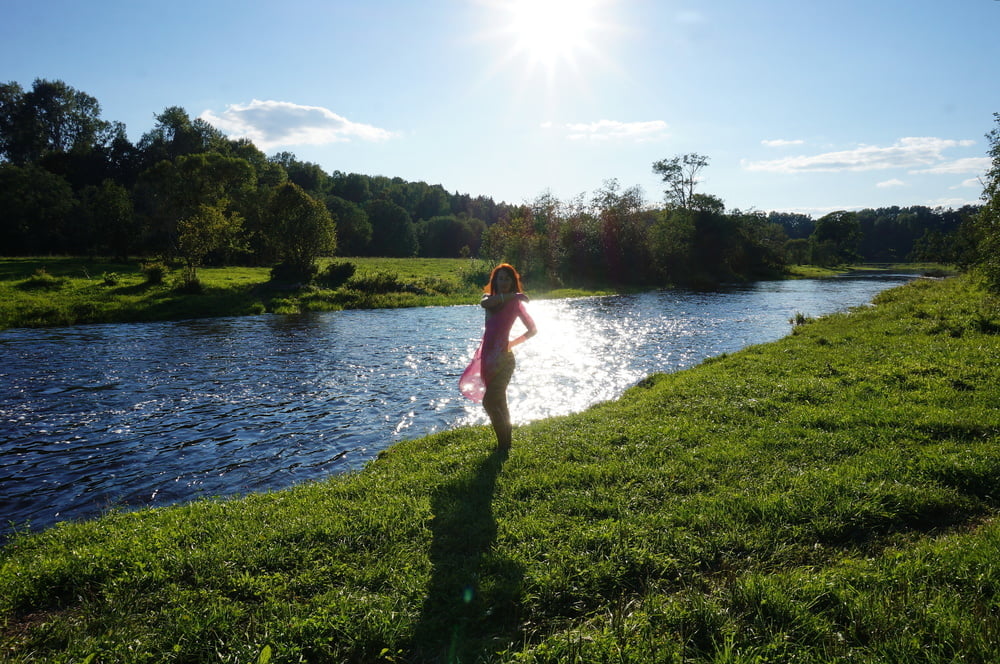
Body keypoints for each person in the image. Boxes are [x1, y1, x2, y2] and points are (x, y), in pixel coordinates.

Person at [459, 263, 537, 449]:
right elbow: (485, 304)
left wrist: (512, 343)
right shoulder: (489, 299)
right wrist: (514, 295)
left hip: (505, 360)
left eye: (507, 279)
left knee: (489, 402)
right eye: (500, 279)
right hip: (487, 359)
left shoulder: (516, 305)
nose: (503, 282)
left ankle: (504, 445)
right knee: (499, 402)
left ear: (512, 282)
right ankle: (505, 445)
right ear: (495, 281)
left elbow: (533, 330)